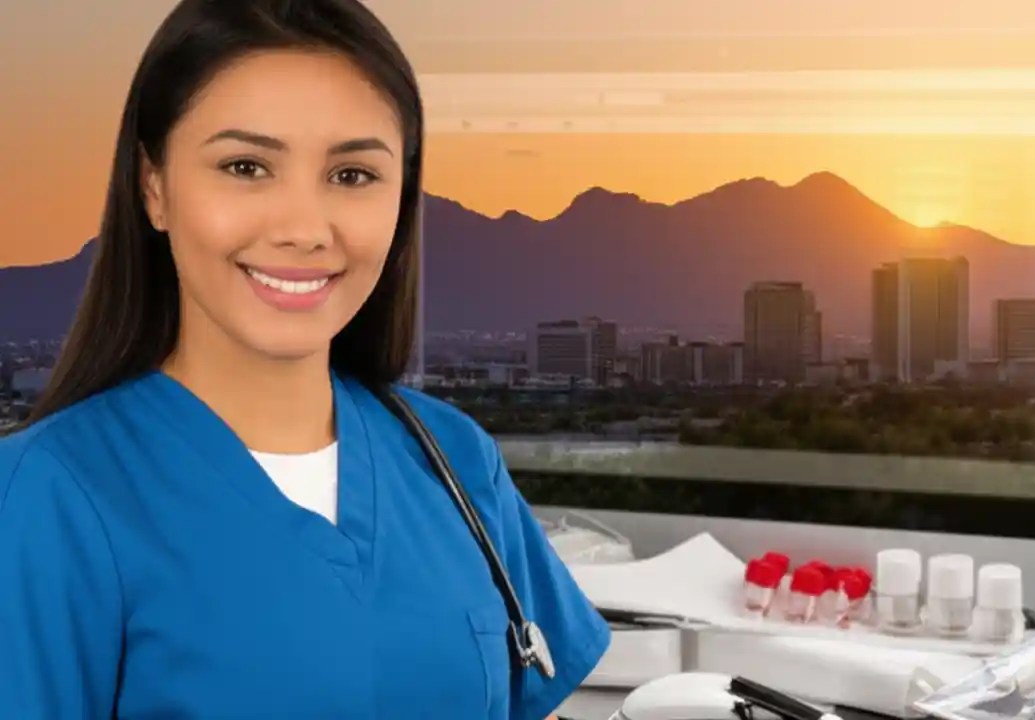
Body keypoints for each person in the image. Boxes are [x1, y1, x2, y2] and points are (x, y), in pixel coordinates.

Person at [0, 1, 611, 717]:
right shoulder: (45, 497)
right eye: (246, 166)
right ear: (153, 186)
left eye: (352, 175)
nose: (302, 229)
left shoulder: (454, 459)